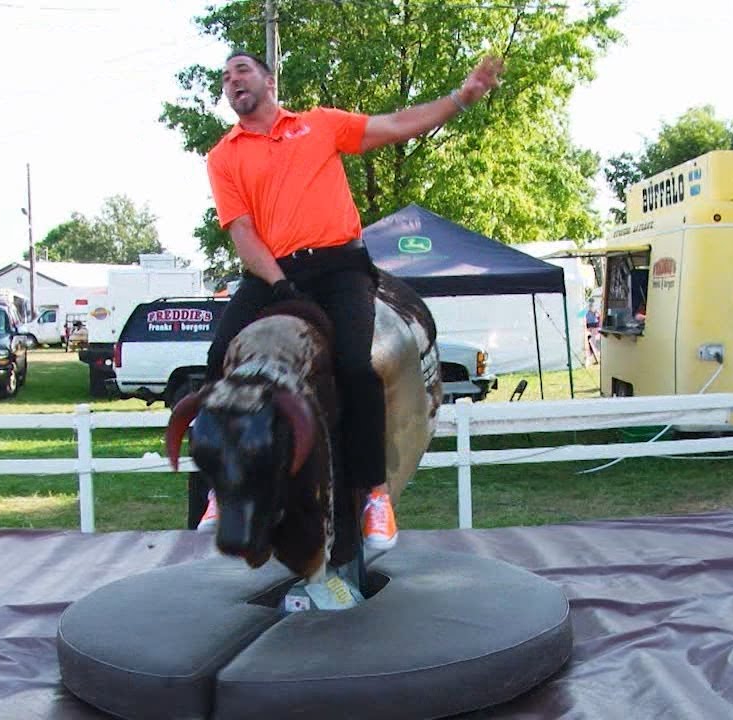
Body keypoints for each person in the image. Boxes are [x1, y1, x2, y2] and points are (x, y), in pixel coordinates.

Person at [196, 50, 504, 551]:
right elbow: (243, 232)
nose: (233, 81)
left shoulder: (318, 125)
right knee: (216, 358)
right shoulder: (224, 155)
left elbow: (398, 124)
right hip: (272, 269)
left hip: (338, 264)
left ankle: (375, 496)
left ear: (270, 81)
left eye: (242, 71)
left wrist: (460, 99)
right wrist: (278, 286)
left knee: (357, 370)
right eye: (226, 76)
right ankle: (222, 485)